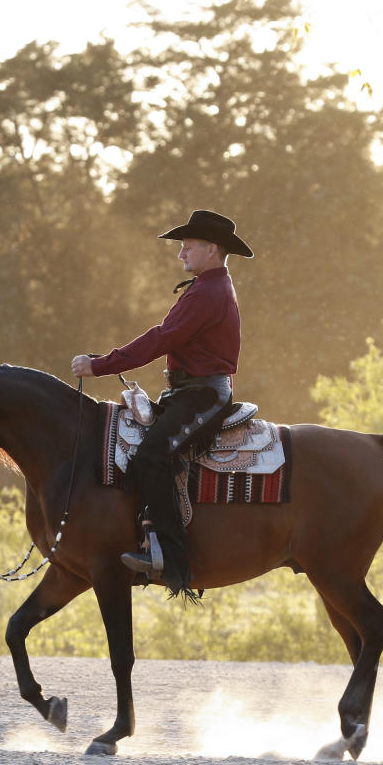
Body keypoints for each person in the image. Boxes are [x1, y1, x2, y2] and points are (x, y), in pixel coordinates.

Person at [71, 210, 252, 596]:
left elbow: (161, 339)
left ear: (211, 249)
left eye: (187, 247)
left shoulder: (207, 292)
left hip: (204, 396)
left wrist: (101, 364)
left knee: (152, 455)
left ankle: (172, 557)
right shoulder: (207, 288)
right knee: (147, 450)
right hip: (190, 393)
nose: (180, 255)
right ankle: (148, 536)